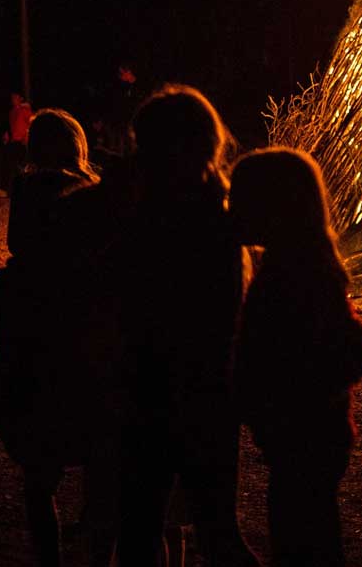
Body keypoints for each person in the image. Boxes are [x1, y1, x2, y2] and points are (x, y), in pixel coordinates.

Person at [113, 85, 258, 567]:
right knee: (213, 531)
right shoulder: (216, 217)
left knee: (148, 527)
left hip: (166, 392)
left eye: (144, 141)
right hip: (203, 397)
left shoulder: (174, 223)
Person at [0, 109, 118, 566]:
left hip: (37, 350)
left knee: (38, 477)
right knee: (100, 464)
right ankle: (99, 550)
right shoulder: (94, 194)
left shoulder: (28, 190)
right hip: (85, 346)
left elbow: (17, 245)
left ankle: (50, 557)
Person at [231, 147, 362, 567]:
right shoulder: (299, 266)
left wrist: (278, 398)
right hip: (308, 433)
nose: (231, 208)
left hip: (304, 434)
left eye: (241, 199)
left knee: (302, 540)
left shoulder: (292, 276)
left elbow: (343, 350)